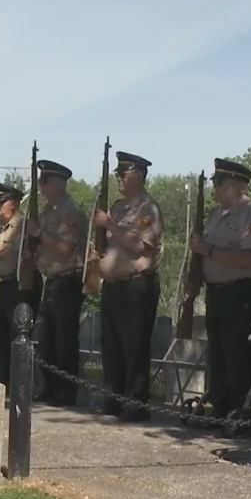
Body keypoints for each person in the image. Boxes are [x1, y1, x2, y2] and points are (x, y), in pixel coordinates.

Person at [188, 158, 251, 436]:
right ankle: (220, 409)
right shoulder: (216, 215)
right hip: (217, 292)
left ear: (236, 185)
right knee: (219, 355)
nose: (215, 187)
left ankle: (239, 413)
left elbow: (248, 258)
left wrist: (207, 250)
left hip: (239, 292)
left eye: (219, 182)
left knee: (237, 355)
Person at [95, 151, 163, 422]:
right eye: (117, 173)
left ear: (140, 176)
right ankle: (113, 398)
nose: (119, 178)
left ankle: (135, 402)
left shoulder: (148, 209)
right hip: (113, 285)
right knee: (110, 346)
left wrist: (110, 224)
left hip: (137, 286)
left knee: (134, 346)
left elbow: (139, 246)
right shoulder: (118, 207)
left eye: (124, 173)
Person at [31, 159, 88, 406]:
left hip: (67, 280)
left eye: (44, 181)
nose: (40, 187)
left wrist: (39, 235)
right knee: (46, 339)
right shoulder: (47, 211)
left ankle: (66, 391)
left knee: (64, 341)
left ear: (58, 183)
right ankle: (50, 387)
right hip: (52, 280)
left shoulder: (69, 212)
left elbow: (65, 248)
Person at [0, 181, 41, 388]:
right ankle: (4, 378)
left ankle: (20, 382)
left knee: (17, 334)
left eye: (2, 202)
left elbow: (23, 256)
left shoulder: (22, 226)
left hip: (20, 284)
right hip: (4, 284)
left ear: (14, 204)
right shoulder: (1, 228)